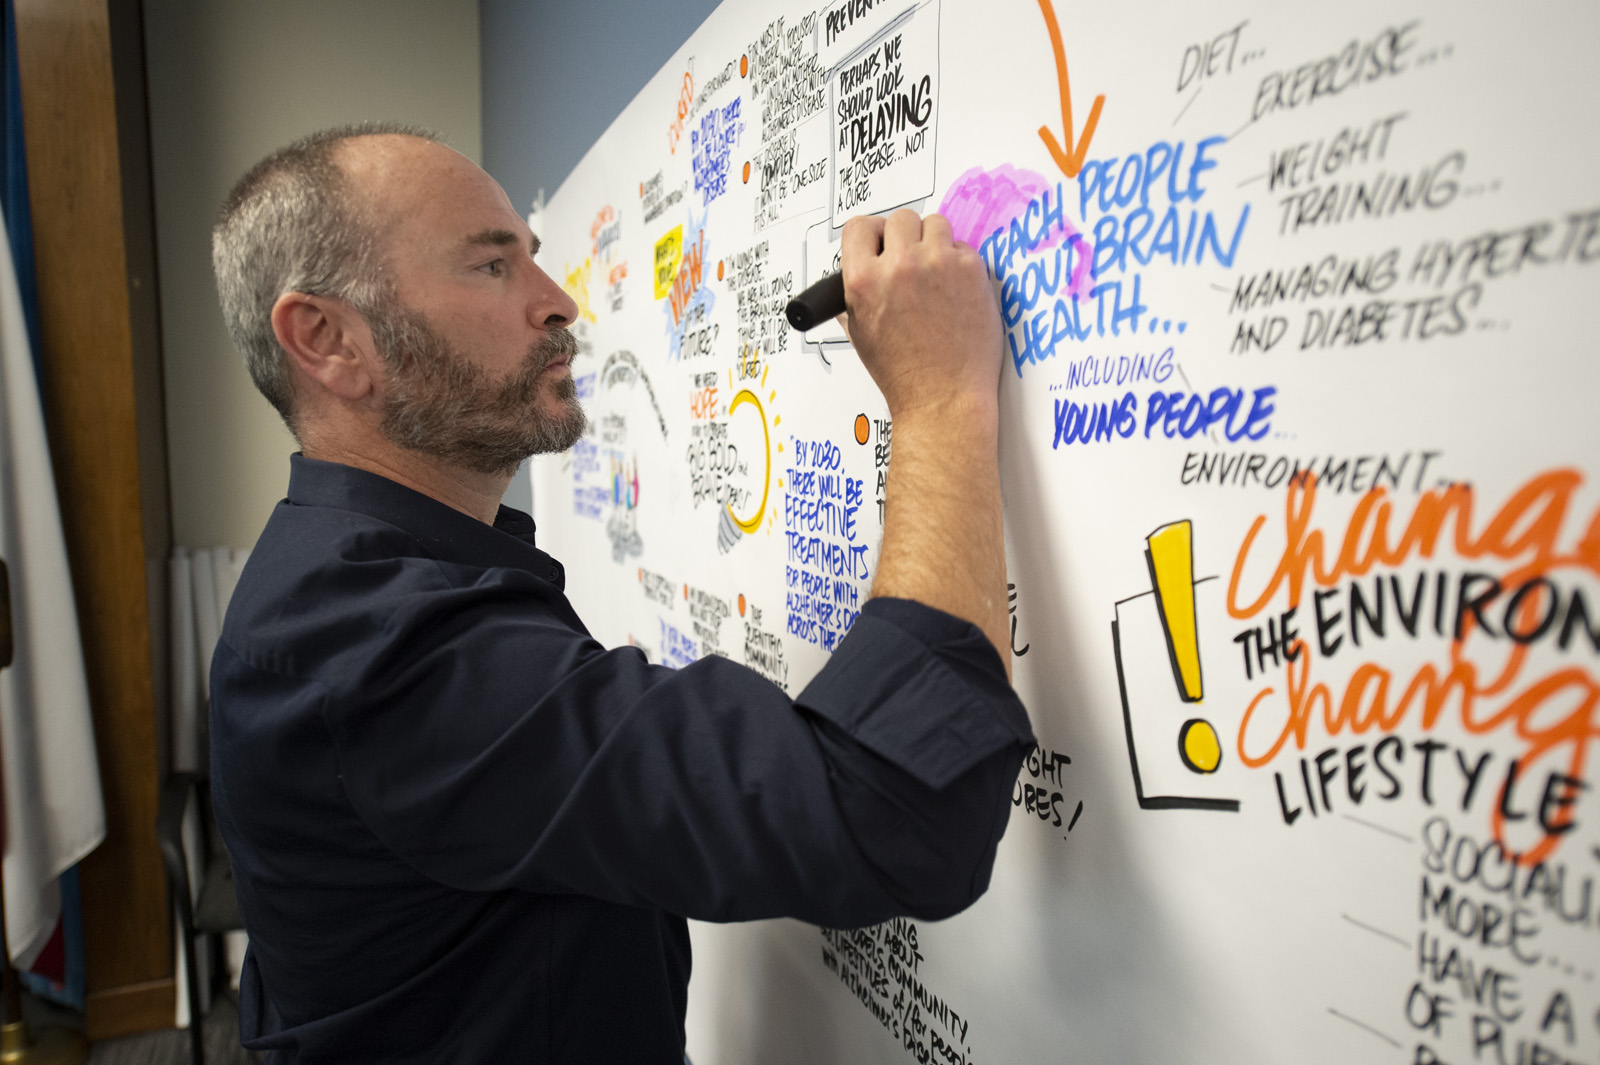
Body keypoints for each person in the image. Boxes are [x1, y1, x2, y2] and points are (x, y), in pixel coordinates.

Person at [208, 122, 1033, 1063]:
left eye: (534, 260)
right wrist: (939, 402)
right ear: (326, 339)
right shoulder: (379, 644)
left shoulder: (373, 575)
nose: (559, 303)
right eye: (490, 267)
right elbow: (897, 813)